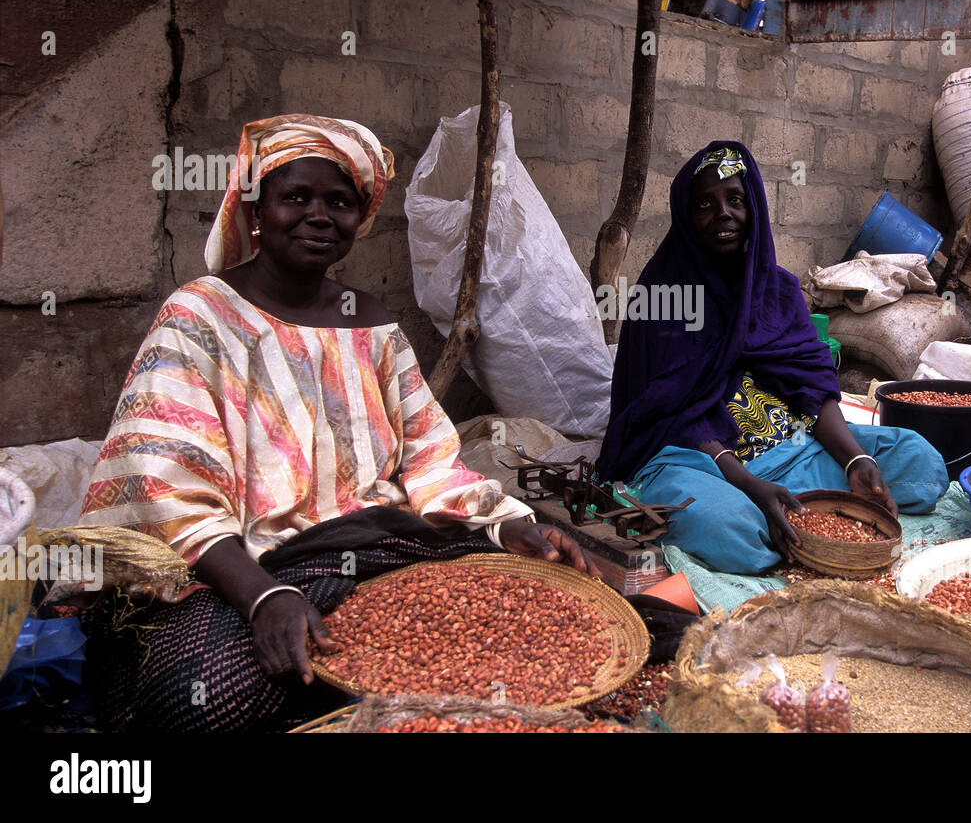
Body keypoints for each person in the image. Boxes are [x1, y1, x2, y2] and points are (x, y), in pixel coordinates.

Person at [79, 114, 599, 732]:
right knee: (198, 696)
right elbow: (165, 487)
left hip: (378, 546)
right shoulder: (200, 317)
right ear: (255, 208)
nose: (319, 216)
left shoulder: (370, 322)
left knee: (548, 620)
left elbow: (430, 458)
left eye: (340, 202)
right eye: (295, 197)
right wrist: (265, 597)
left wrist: (507, 526)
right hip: (252, 565)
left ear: (361, 217)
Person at [596, 142, 948, 575]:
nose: (723, 213)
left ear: (755, 208)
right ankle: (782, 509)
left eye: (736, 199)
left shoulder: (776, 291)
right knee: (734, 531)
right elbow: (674, 410)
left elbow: (812, 383)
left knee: (921, 463)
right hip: (696, 460)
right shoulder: (662, 298)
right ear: (685, 217)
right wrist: (748, 484)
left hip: (796, 447)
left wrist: (856, 460)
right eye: (704, 204)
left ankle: (806, 500)